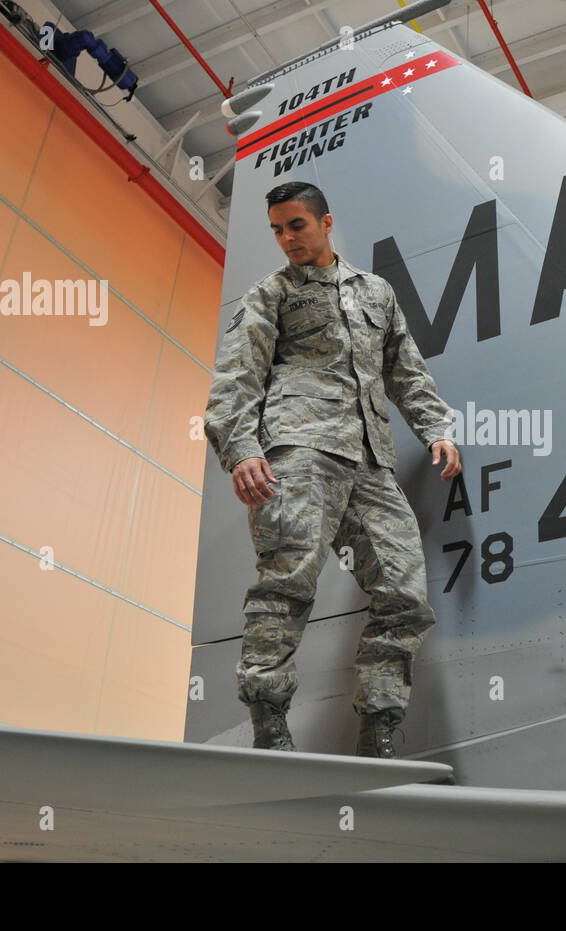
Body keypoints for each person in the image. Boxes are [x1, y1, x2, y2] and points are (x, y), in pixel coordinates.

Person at [203, 180, 461, 759]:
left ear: (326, 222)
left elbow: (405, 371)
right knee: (287, 582)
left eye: (296, 225)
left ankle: (380, 727)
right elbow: (236, 377)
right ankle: (269, 724)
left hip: (371, 462)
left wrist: (437, 430)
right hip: (298, 451)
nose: (286, 239)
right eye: (276, 229)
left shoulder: (376, 292)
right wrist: (242, 449)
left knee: (404, 594)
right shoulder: (270, 294)